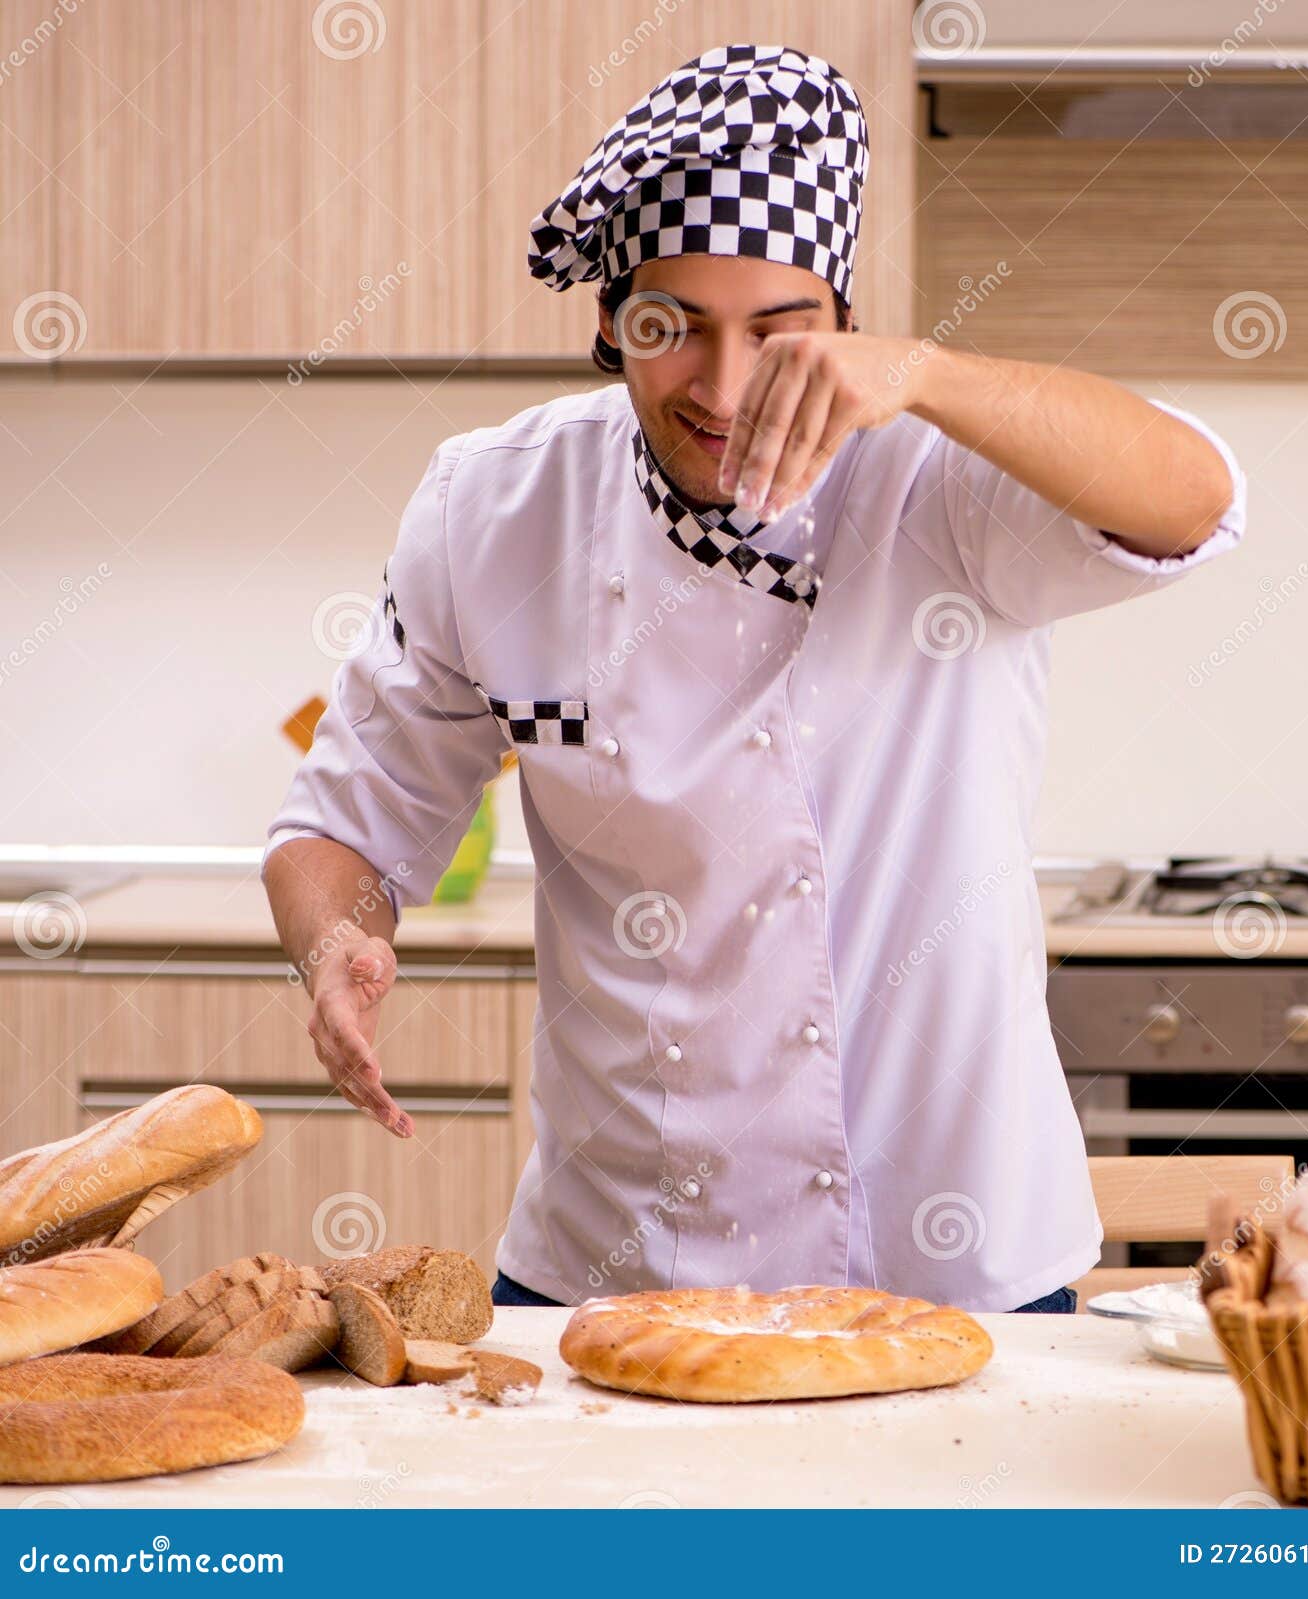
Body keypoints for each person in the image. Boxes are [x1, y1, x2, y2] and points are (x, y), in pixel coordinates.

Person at [261, 43, 1246, 1315]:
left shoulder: (935, 483)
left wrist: (932, 375)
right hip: (610, 1267)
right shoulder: (492, 507)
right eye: (675, 331)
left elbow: (1194, 500)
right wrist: (337, 941)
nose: (726, 390)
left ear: (842, 324)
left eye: (779, 335)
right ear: (610, 323)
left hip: (951, 1265)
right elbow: (344, 823)